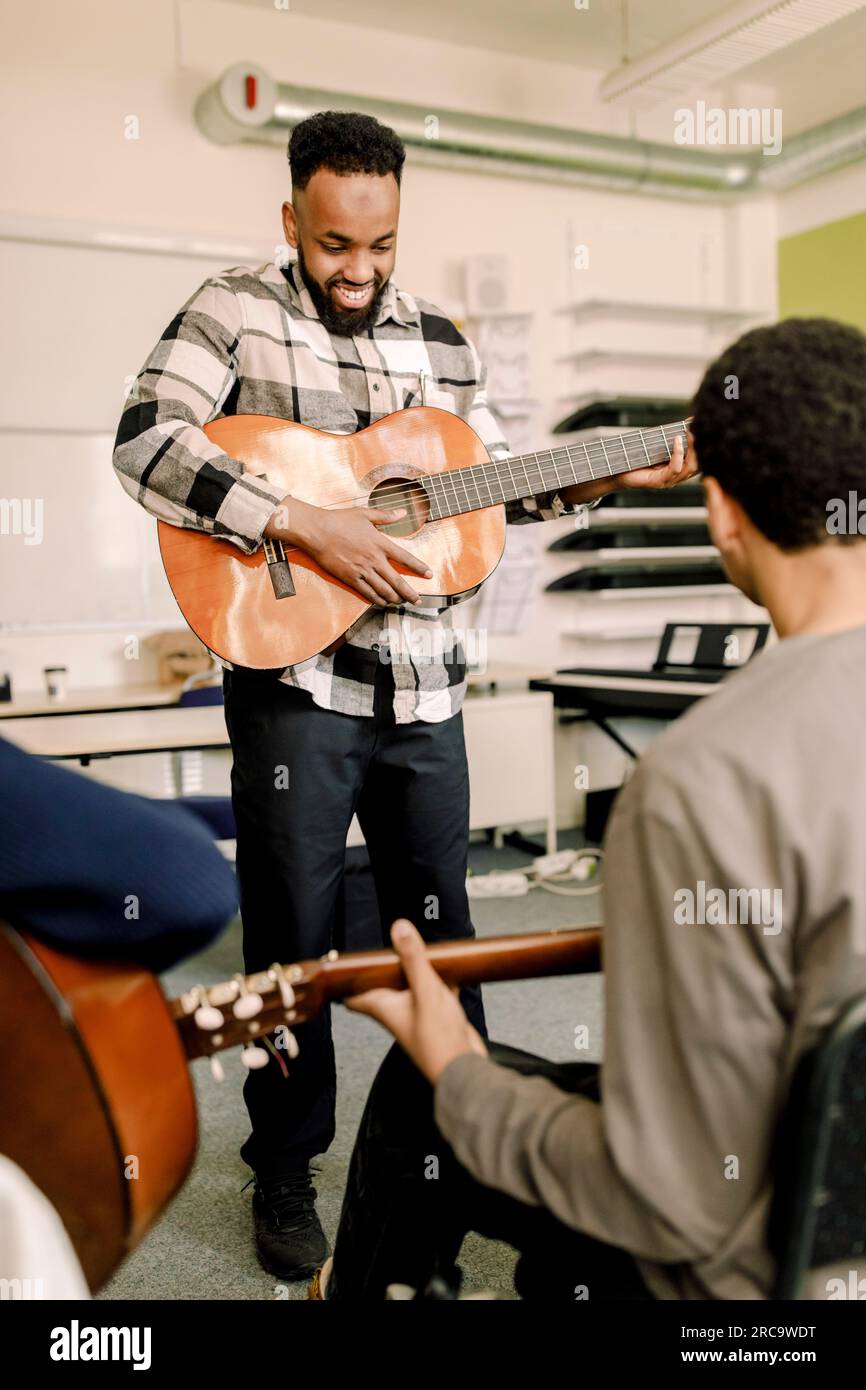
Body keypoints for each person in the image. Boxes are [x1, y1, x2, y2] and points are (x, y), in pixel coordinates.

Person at [112, 110, 693, 1279]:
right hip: (296, 684)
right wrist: (301, 518)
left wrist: (597, 475)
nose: (358, 270)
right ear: (292, 220)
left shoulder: (444, 342)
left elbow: (478, 500)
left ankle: (460, 1144)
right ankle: (285, 1166)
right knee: (290, 937)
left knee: (446, 931)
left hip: (426, 695)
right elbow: (143, 441)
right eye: (333, 245)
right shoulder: (234, 309)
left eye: (378, 245)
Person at [315, 316, 866, 1301]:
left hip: (758, 1289)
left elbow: (673, 1200)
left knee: (424, 1087)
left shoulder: (704, 777)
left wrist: (456, 1065)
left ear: (722, 515)